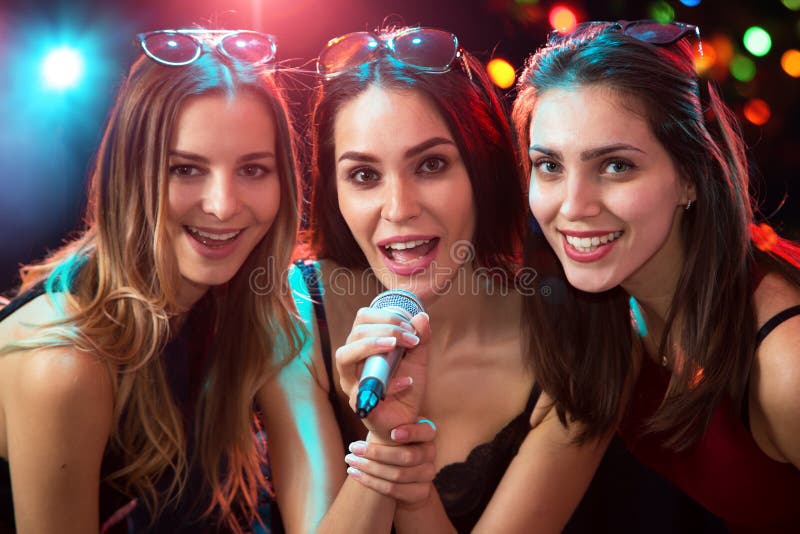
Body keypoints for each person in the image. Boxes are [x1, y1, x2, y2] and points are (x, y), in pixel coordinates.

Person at [263, 24, 721, 534]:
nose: (398, 209)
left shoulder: (580, 345)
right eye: (364, 175)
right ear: (335, 190)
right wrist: (385, 444)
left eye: (431, 164)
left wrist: (400, 463)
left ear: (483, 169)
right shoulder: (297, 313)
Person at [0, 28, 303, 533]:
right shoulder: (67, 368)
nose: (224, 205)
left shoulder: (228, 309)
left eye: (253, 169)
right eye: (186, 169)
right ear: (129, 176)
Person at [512, 19, 800, 532]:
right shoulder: (614, 316)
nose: (572, 207)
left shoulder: (786, 366)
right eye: (550, 166)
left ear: (690, 175)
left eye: (616, 166)